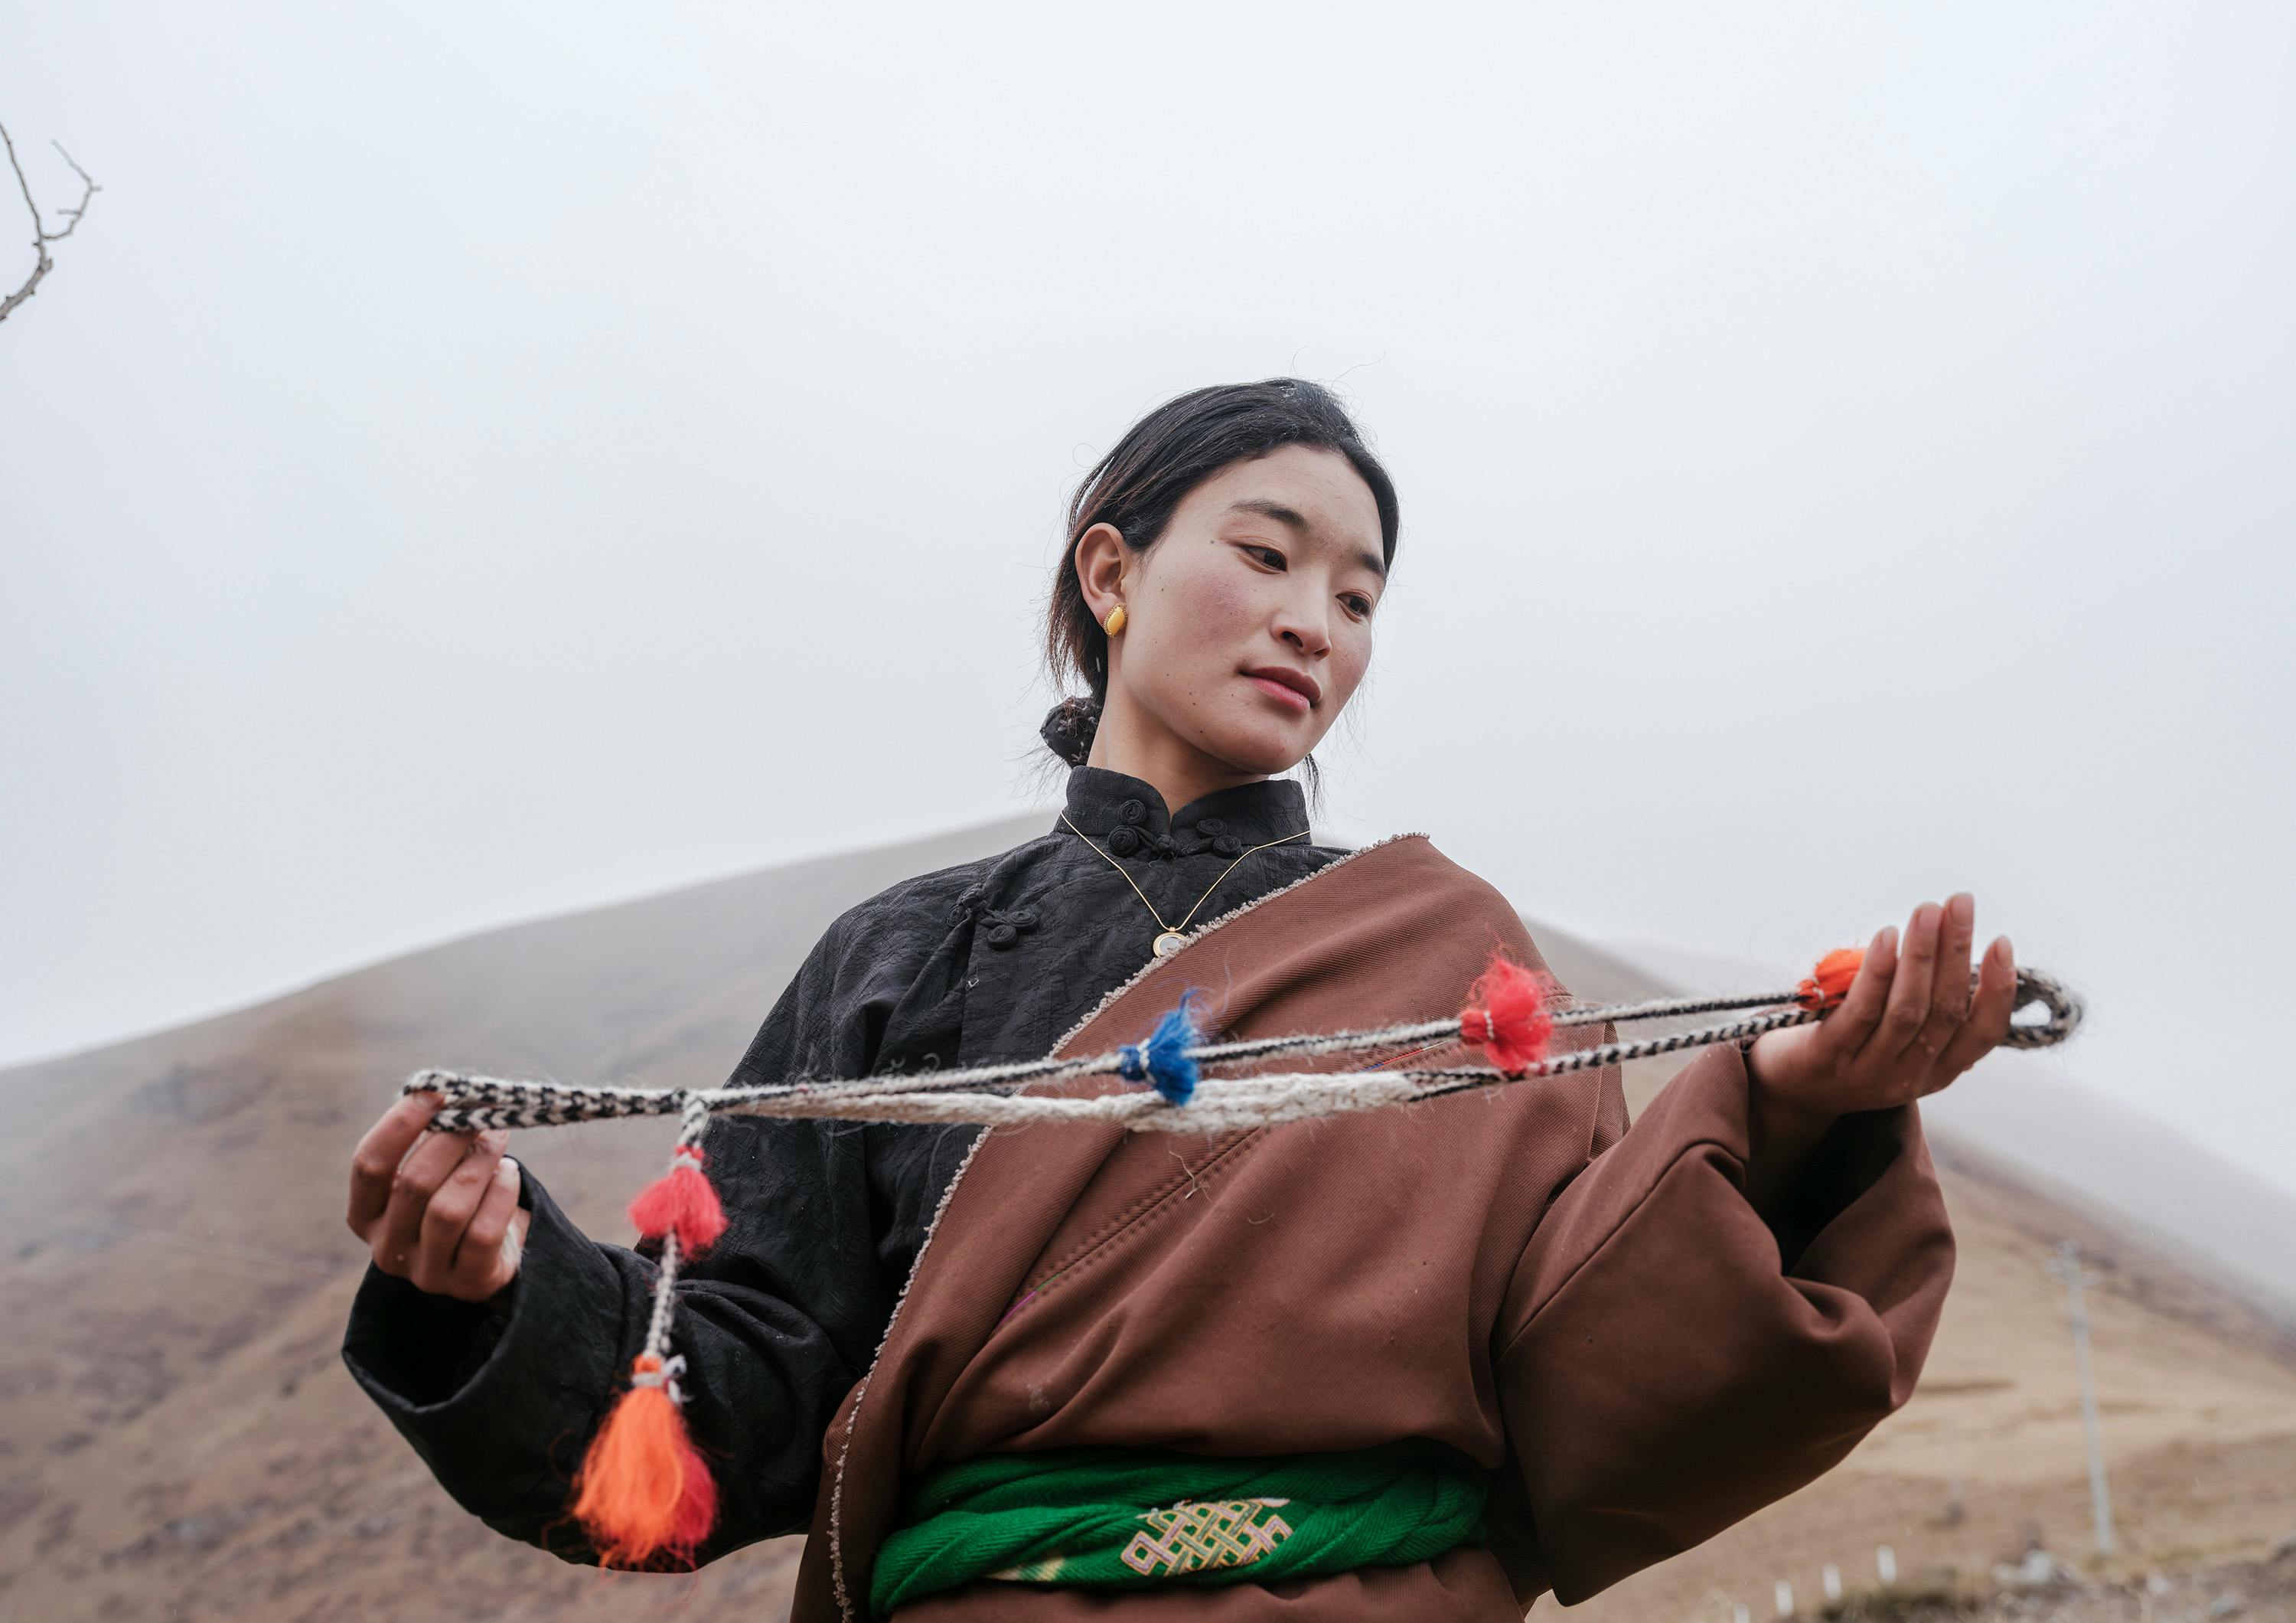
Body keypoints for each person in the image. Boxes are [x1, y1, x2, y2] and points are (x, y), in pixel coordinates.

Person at [341, 377, 2017, 1620]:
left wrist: (1793, 1101)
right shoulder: (901, 958)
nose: (1313, 623)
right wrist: (496, 1289)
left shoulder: (1462, 961)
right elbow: (744, 1393)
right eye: (1268, 555)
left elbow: (1589, 1349)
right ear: (1112, 573)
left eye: (1358, 598)